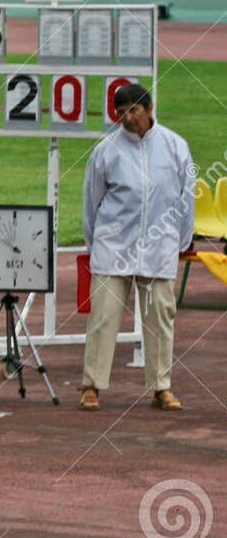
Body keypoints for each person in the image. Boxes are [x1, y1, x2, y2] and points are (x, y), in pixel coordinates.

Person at [79, 84, 193, 412]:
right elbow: (92, 202)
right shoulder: (105, 150)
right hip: (113, 247)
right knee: (102, 318)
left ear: (149, 108)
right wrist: (95, 242)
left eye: (134, 110)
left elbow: (186, 199)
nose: (128, 118)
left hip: (159, 247)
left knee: (160, 317)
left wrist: (180, 242)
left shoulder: (175, 147)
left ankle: (161, 388)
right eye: (121, 112)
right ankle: (91, 386)